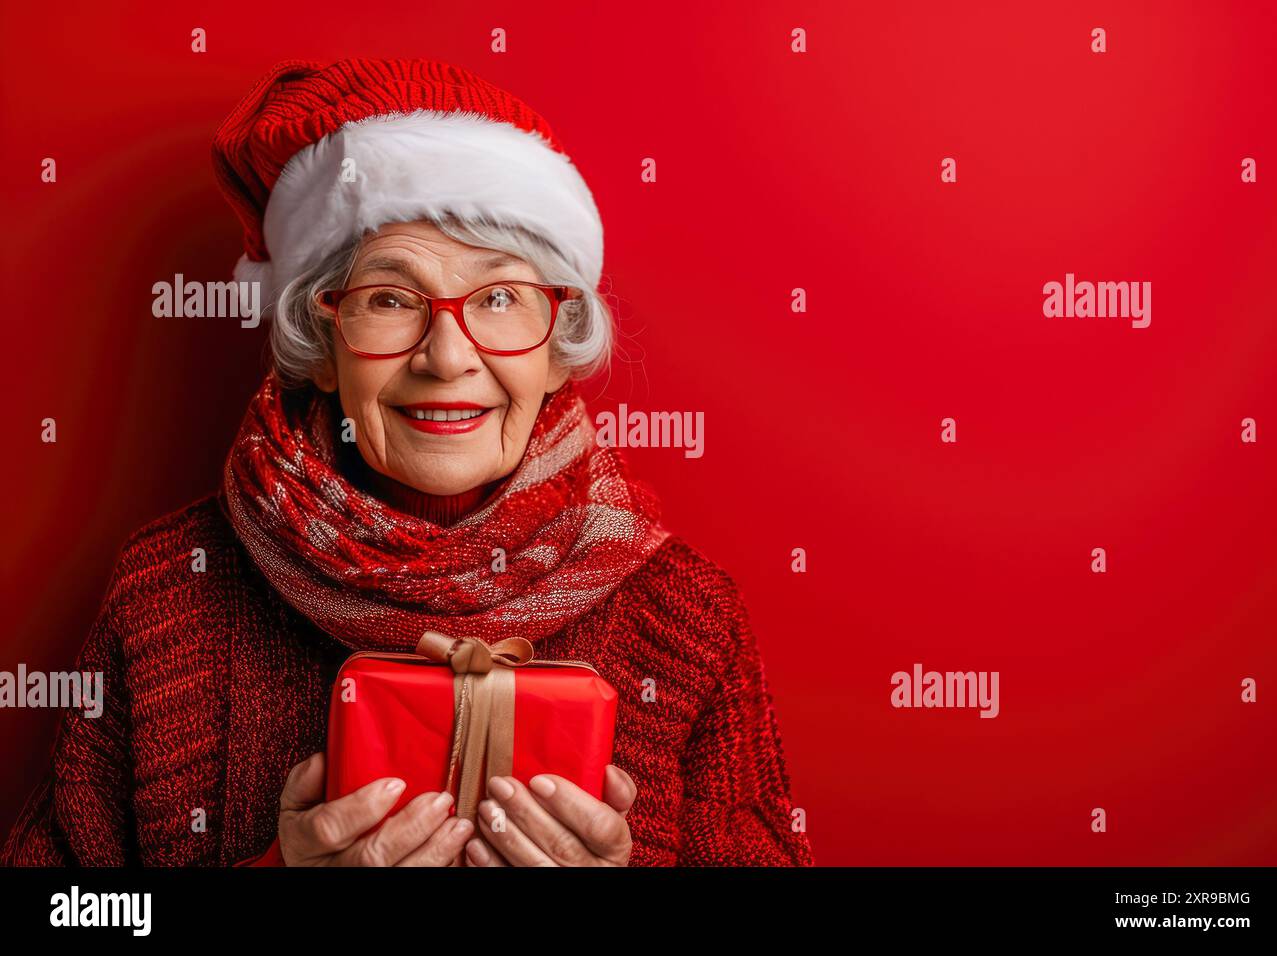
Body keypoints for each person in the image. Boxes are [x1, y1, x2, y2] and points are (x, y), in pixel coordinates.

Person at [1, 57, 813, 867]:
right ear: (320, 347)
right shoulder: (170, 596)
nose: (447, 356)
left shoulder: (688, 618)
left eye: (499, 298)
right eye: (390, 299)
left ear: (560, 347)